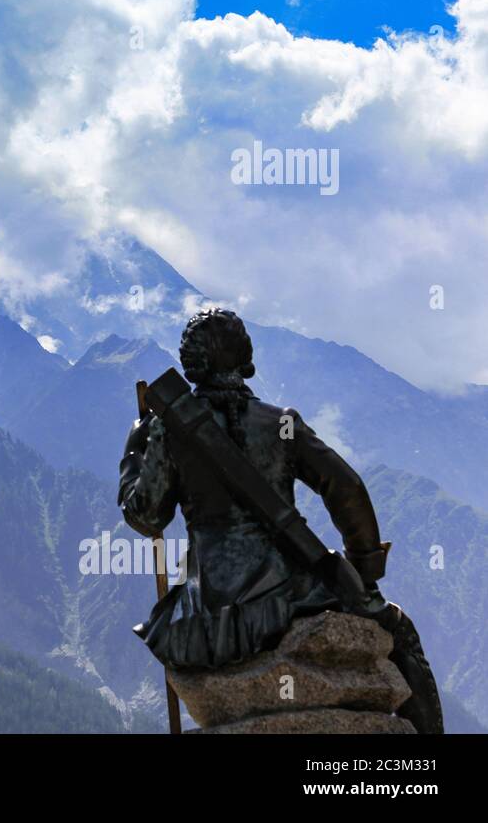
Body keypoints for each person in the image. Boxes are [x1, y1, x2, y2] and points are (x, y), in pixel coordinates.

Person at [118, 307, 442, 733]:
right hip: (291, 590)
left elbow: (146, 517)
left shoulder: (167, 430)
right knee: (400, 632)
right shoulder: (281, 423)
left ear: (191, 364)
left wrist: (136, 448)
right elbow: (346, 488)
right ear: (245, 357)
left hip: (210, 603)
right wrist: (364, 572)